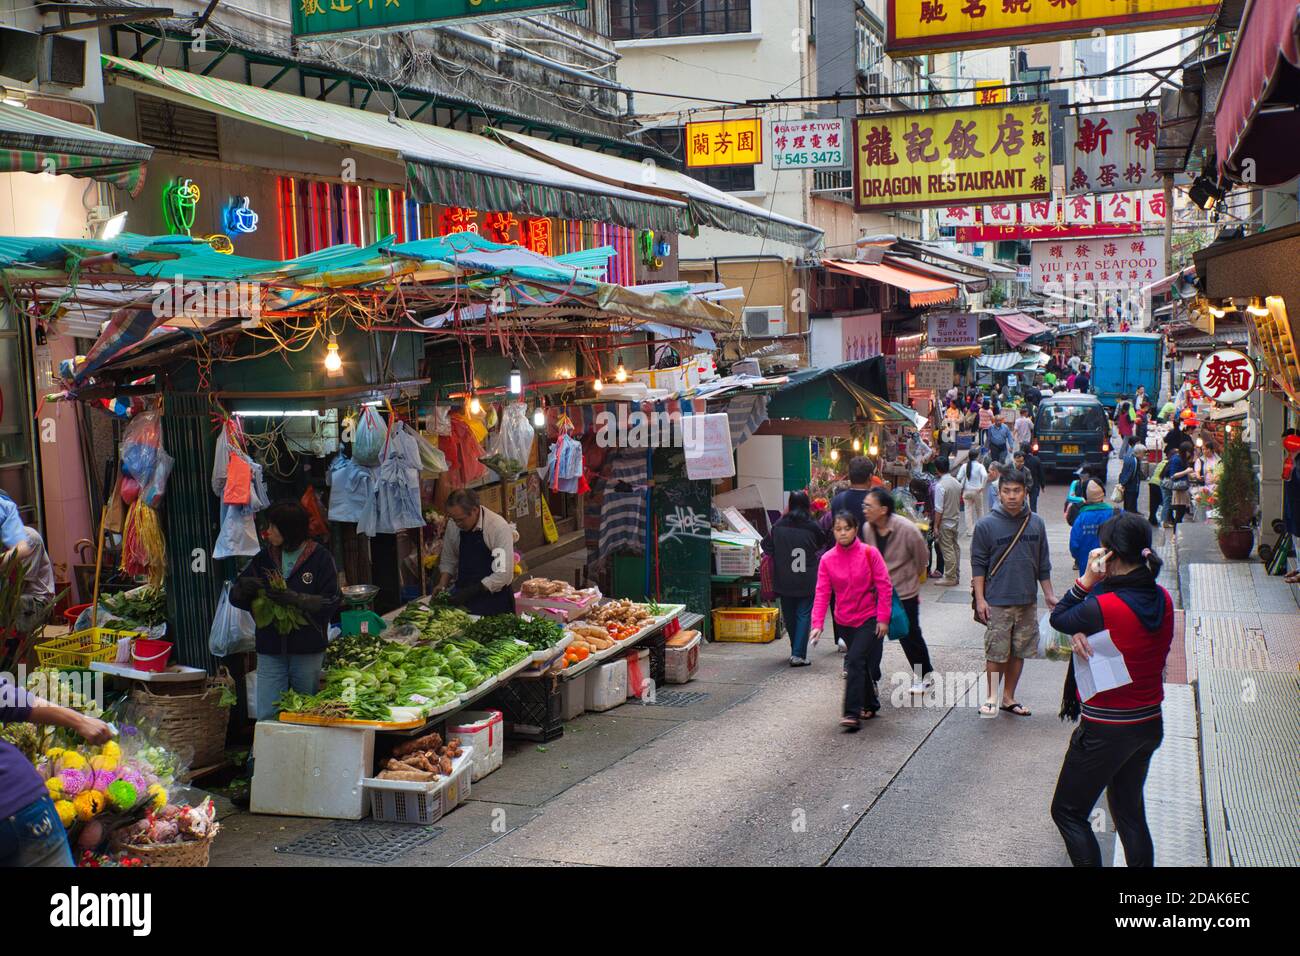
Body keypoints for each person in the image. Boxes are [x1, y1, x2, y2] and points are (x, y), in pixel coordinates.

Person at [1049, 513, 1175, 867]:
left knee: (1068, 813)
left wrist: (1088, 579)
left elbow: (1060, 617)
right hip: (1149, 722)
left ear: (1111, 554)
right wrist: (1083, 626)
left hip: (1107, 728)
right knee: (1129, 813)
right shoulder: (1162, 598)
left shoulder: (1103, 605)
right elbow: (1091, 620)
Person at [231, 500, 343, 721]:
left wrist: (296, 599)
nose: (268, 531)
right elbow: (237, 599)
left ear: (289, 530)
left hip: (307, 648)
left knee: (305, 709)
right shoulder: (263, 558)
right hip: (271, 648)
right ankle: (265, 754)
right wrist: (242, 589)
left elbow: (332, 601)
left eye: (273, 527)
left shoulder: (320, 558)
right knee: (268, 711)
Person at [971, 467, 1058, 718]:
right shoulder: (986, 525)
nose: (1011, 496)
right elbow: (978, 565)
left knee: (1019, 650)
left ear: (1025, 492)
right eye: (1006, 491)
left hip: (1027, 599)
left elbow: (1043, 563)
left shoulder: (1036, 523)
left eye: (1016, 491)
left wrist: (1049, 594)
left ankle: (1008, 697)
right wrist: (980, 599)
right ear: (998, 493)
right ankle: (991, 697)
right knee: (997, 652)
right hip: (997, 600)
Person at [1, 676, 113, 866]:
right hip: (20, 808)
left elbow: (7, 698)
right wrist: (80, 721)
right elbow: (8, 698)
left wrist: (80, 721)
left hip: (16, 808)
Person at [810, 511, 893, 731]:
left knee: (855, 660)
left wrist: (883, 618)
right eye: (838, 529)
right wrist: (817, 624)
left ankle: (851, 713)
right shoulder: (827, 559)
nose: (843, 533)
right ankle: (871, 703)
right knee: (860, 664)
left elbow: (885, 586)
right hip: (844, 621)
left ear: (855, 529)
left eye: (847, 528)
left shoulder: (869, 553)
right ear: (833, 532)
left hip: (868, 617)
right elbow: (822, 593)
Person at [861, 488, 934, 693]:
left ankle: (924, 676)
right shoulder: (867, 528)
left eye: (869, 506)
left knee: (909, 634)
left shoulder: (906, 528)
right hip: (877, 591)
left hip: (903, 591)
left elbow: (921, 557)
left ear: (883, 509)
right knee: (873, 636)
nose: (865, 509)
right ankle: (870, 680)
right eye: (864, 505)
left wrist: (912, 578)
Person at [761, 492, 826, 667]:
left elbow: (765, 546)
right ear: (807, 506)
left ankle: (795, 649)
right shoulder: (813, 526)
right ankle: (798, 653)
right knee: (803, 614)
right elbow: (823, 543)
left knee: (789, 615)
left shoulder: (779, 525)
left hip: (783, 577)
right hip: (807, 577)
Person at [436, 488, 518, 615]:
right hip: (464, 596)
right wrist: (442, 584)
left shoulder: (497, 528)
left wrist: (473, 590)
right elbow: (449, 558)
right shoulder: (454, 524)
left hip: (495, 600)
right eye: (453, 519)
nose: (457, 524)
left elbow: (503, 574)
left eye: (461, 519)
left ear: (474, 510)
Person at [0, 492, 56, 638]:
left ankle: (20, 657)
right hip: (13, 598)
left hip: (36, 601)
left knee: (13, 602)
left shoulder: (29, 538)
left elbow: (17, 586)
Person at [1070, 479, 1118, 573]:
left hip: (1087, 570)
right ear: (1103, 495)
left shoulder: (1081, 518)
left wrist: (1081, 559)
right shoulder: (1116, 515)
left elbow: (1074, 546)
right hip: (1112, 571)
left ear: (1085, 497)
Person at [829, 457, 878, 539]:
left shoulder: (837, 500)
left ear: (849, 476)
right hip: (868, 550)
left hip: (844, 550)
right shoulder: (876, 502)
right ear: (870, 477)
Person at [933, 456, 963, 586]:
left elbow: (939, 509)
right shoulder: (956, 483)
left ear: (937, 470)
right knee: (954, 547)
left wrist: (935, 525)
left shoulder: (940, 486)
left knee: (947, 549)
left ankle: (950, 577)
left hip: (945, 521)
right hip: (955, 519)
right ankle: (955, 573)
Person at [956, 452, 989, 535]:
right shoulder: (980, 466)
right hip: (977, 490)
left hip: (967, 491)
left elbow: (958, 477)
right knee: (980, 510)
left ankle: (969, 531)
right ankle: (981, 530)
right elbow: (985, 475)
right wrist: (982, 486)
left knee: (968, 511)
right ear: (977, 457)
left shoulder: (964, 466)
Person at [1164, 443, 1194, 529]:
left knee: (1180, 512)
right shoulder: (1176, 459)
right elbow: (1173, 475)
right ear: (1185, 451)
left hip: (1183, 489)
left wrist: (1190, 475)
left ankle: (1175, 534)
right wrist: (1186, 472)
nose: (1189, 454)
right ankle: (1175, 534)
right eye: (1189, 452)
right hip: (1179, 490)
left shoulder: (1182, 459)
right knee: (1179, 513)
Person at [1015, 448, 1045, 513]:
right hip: (1034, 486)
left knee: (1022, 506)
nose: (1020, 463)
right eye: (1018, 461)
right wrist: (1042, 485)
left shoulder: (1023, 466)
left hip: (1023, 489)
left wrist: (1025, 489)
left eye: (1021, 461)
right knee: (1033, 506)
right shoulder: (1036, 460)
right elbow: (1041, 473)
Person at [1119, 443, 1144, 514]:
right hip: (1131, 486)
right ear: (1139, 453)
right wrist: (1124, 483)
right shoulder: (1134, 461)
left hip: (1130, 485)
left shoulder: (1130, 457)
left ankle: (1131, 512)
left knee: (1129, 501)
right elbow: (1131, 474)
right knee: (1130, 501)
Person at [1147, 447, 1169, 527]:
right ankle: (1165, 519)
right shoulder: (1169, 463)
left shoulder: (1162, 462)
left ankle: (1152, 518)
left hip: (1152, 482)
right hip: (1159, 483)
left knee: (1153, 502)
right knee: (1164, 502)